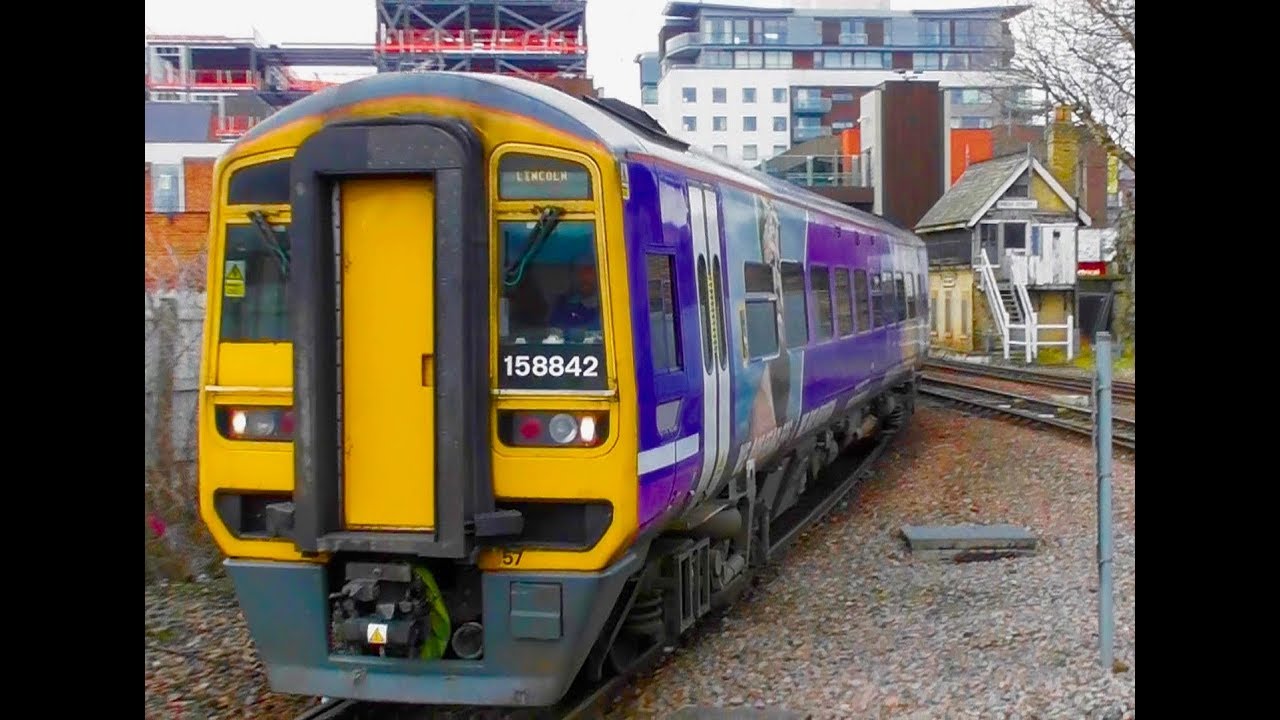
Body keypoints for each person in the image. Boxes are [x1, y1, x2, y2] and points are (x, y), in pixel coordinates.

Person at [548, 263, 600, 334]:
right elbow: (555, 331)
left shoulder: (610, 303)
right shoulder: (562, 306)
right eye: (581, 273)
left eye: (589, 272)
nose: (585, 277)